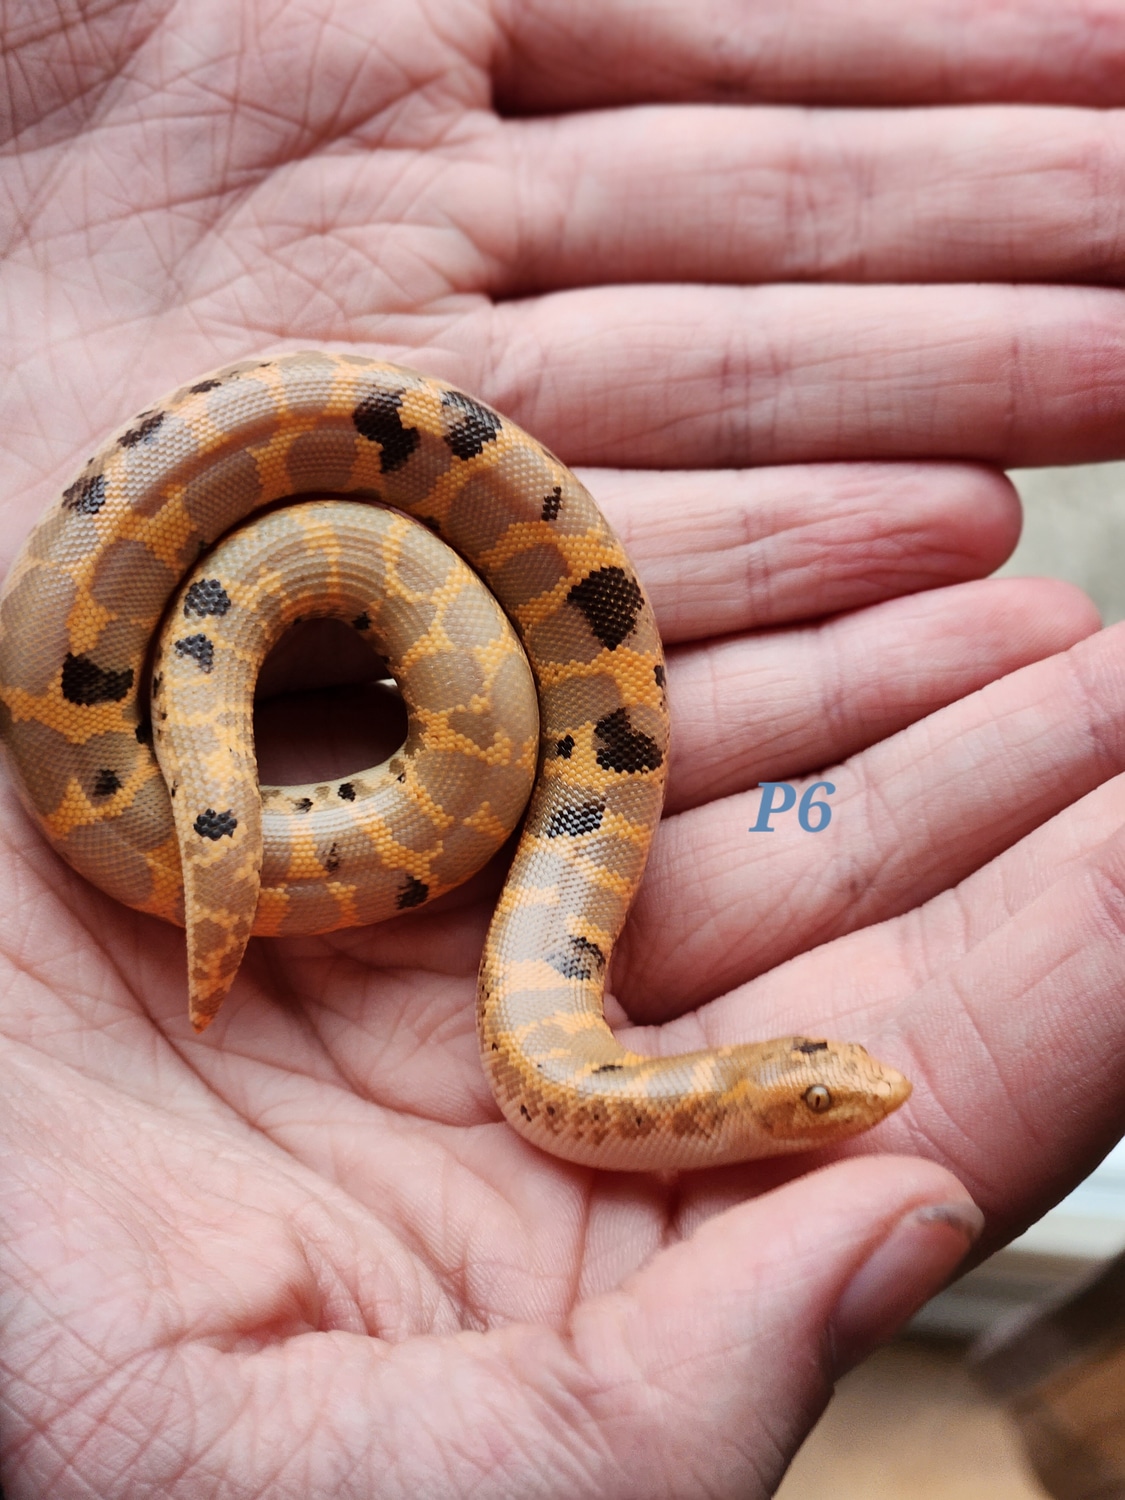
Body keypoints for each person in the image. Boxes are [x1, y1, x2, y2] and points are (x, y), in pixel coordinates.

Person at [3, 0, 1125, 1494]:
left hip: (280, 657)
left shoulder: (558, 1045)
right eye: (811, 1100)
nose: (851, 1106)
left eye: (808, 1094)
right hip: (215, 640)